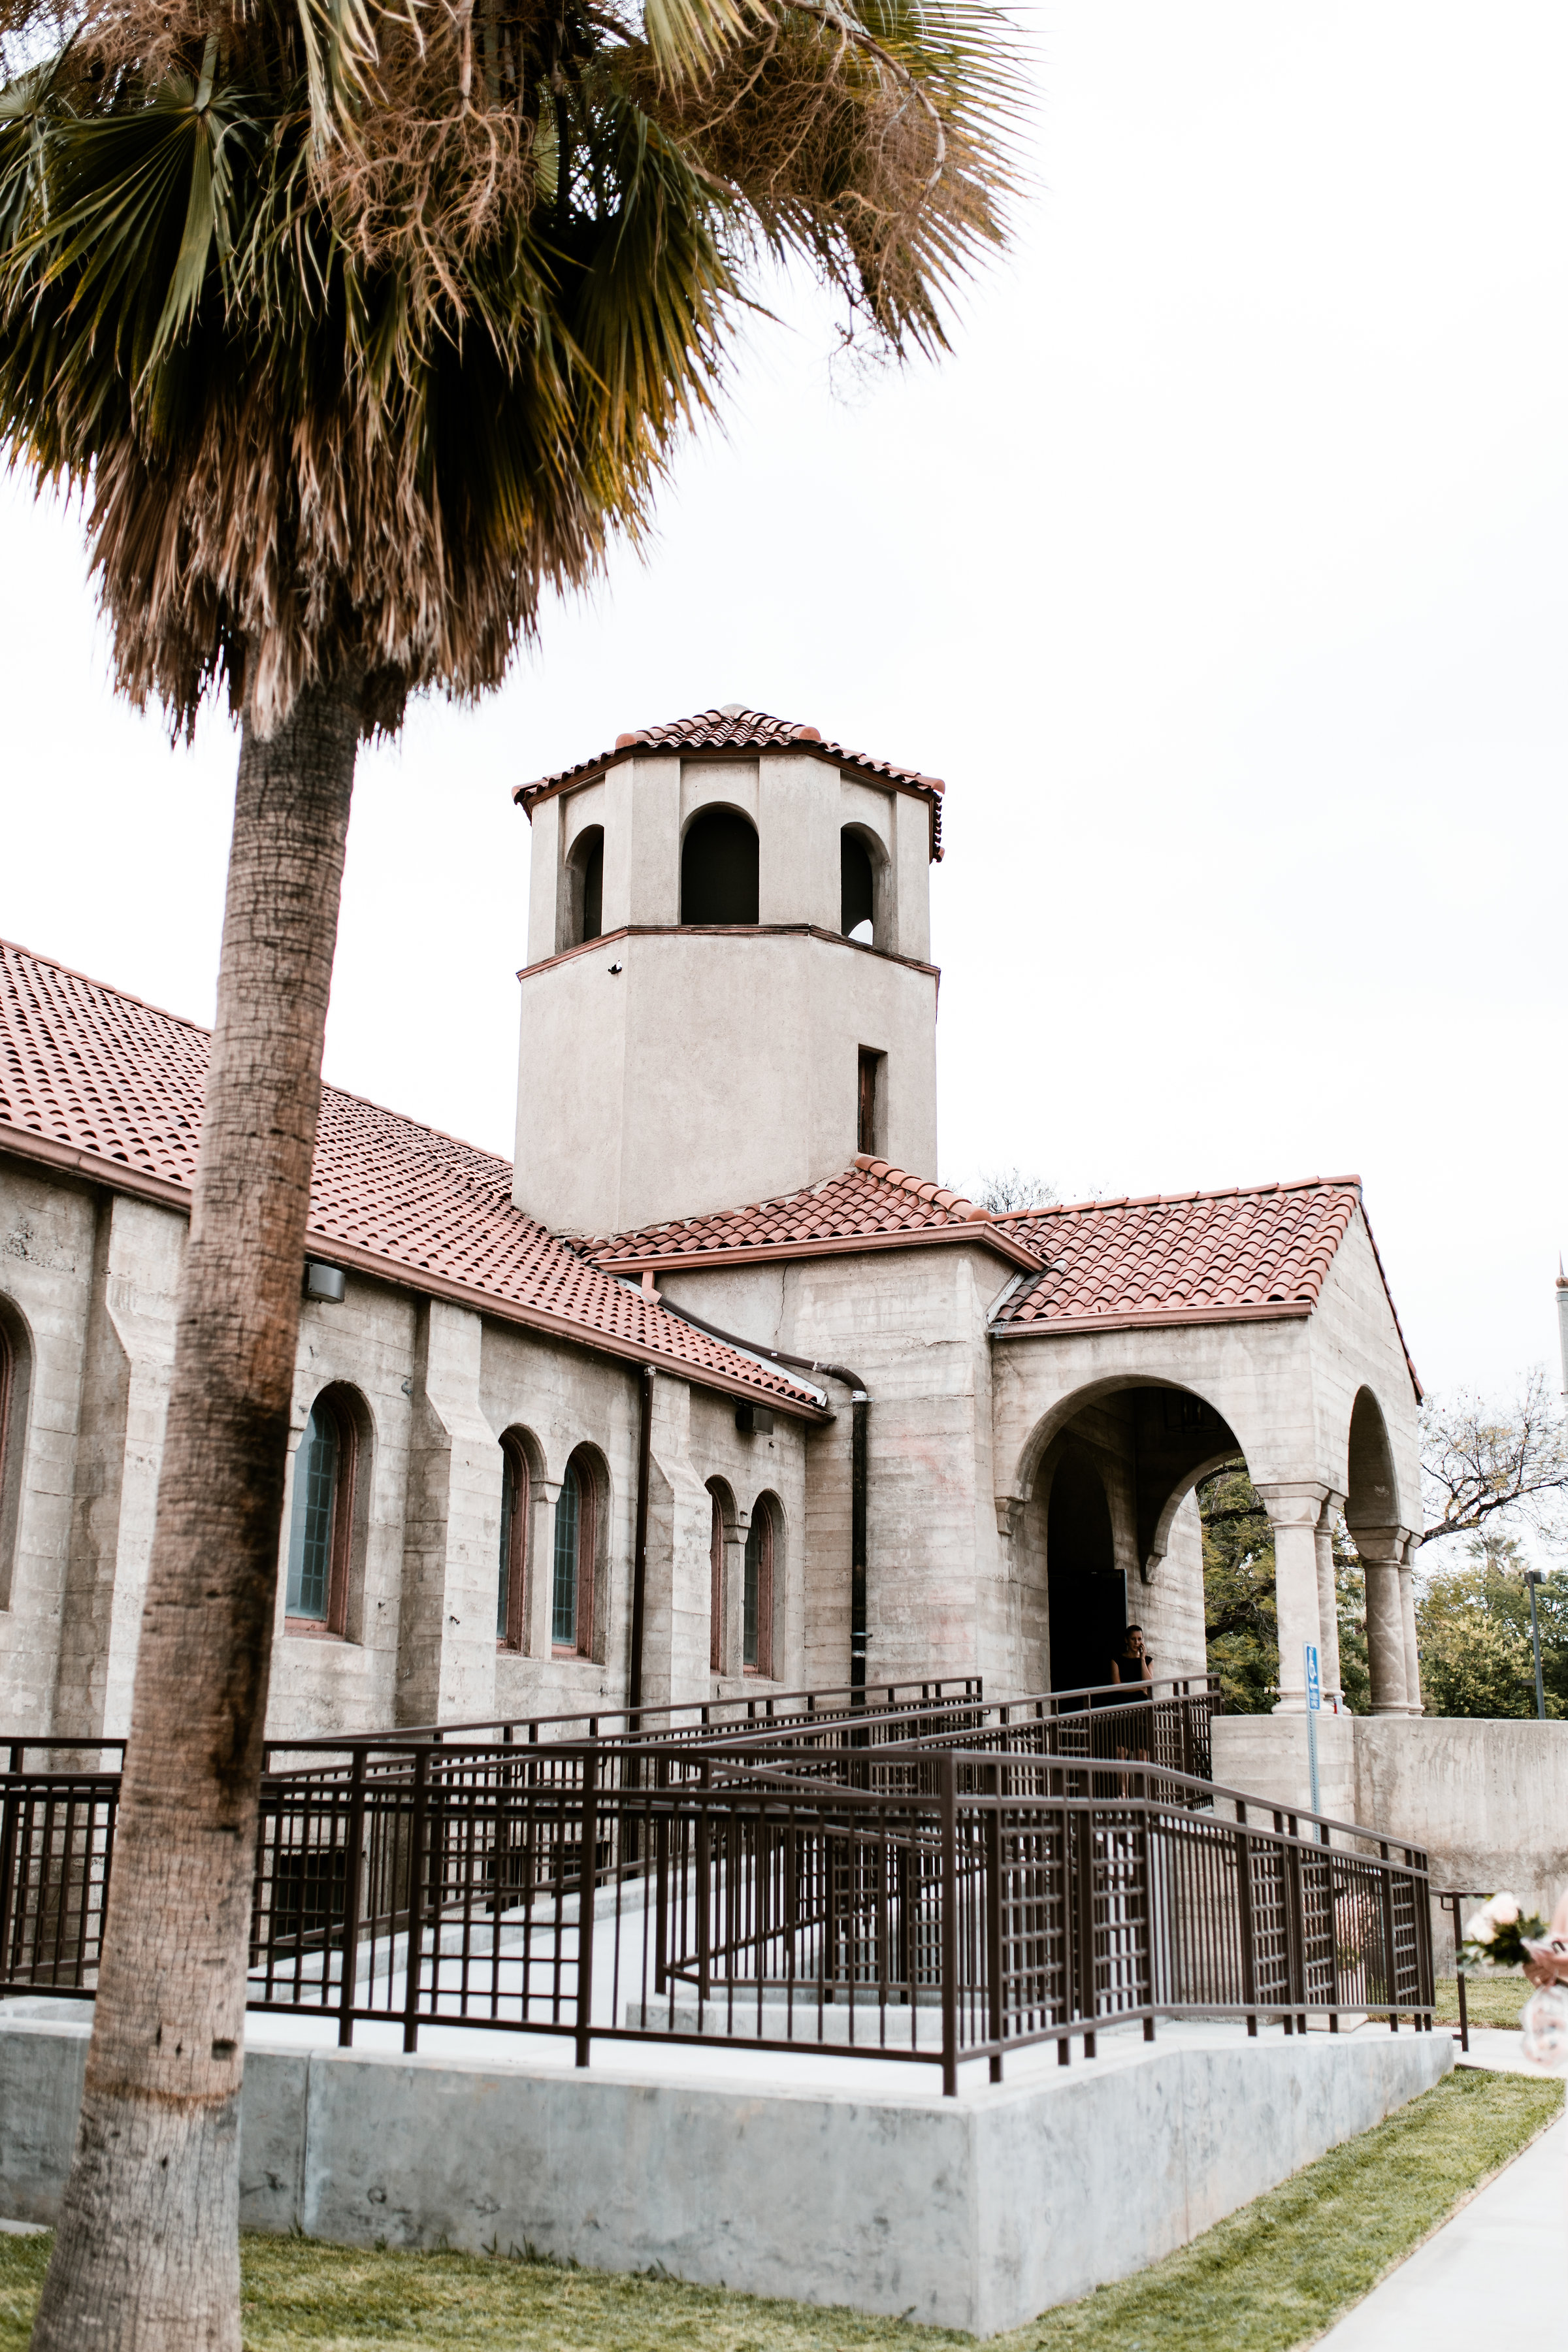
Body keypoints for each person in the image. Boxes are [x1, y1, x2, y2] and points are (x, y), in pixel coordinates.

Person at [1109, 1623, 1154, 1773]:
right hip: (1123, 1710)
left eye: (1140, 1639)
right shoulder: (1117, 1660)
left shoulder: (1148, 1661)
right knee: (1121, 1752)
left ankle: (1144, 1795)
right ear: (1126, 1640)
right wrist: (1139, 1688)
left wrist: (1142, 1659)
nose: (1137, 1642)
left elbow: (1149, 1684)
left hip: (1142, 1712)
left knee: (1142, 1753)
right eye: (1133, 1639)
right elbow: (1117, 1685)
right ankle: (1123, 1794)